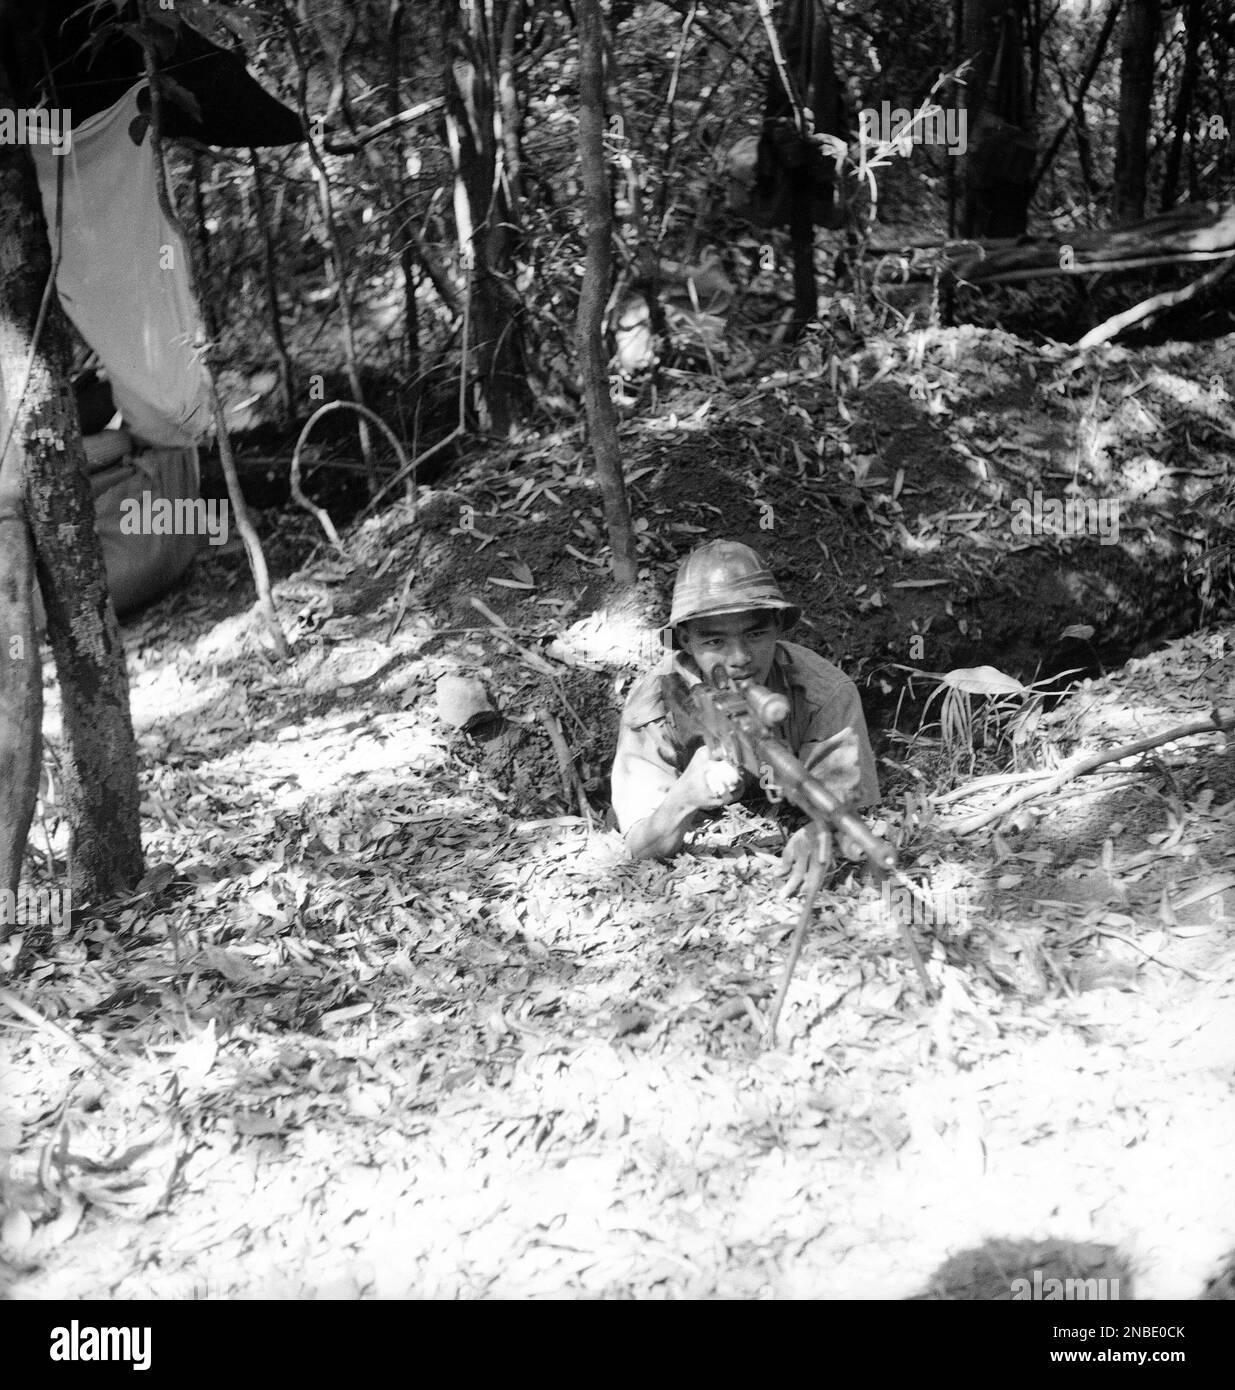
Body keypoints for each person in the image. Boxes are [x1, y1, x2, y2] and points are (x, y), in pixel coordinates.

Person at [611, 540, 880, 894]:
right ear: (685, 640)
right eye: (715, 642)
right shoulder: (655, 706)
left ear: (778, 627)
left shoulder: (824, 692)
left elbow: (848, 803)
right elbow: (639, 848)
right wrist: (685, 797)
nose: (739, 658)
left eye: (755, 634)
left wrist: (820, 830)